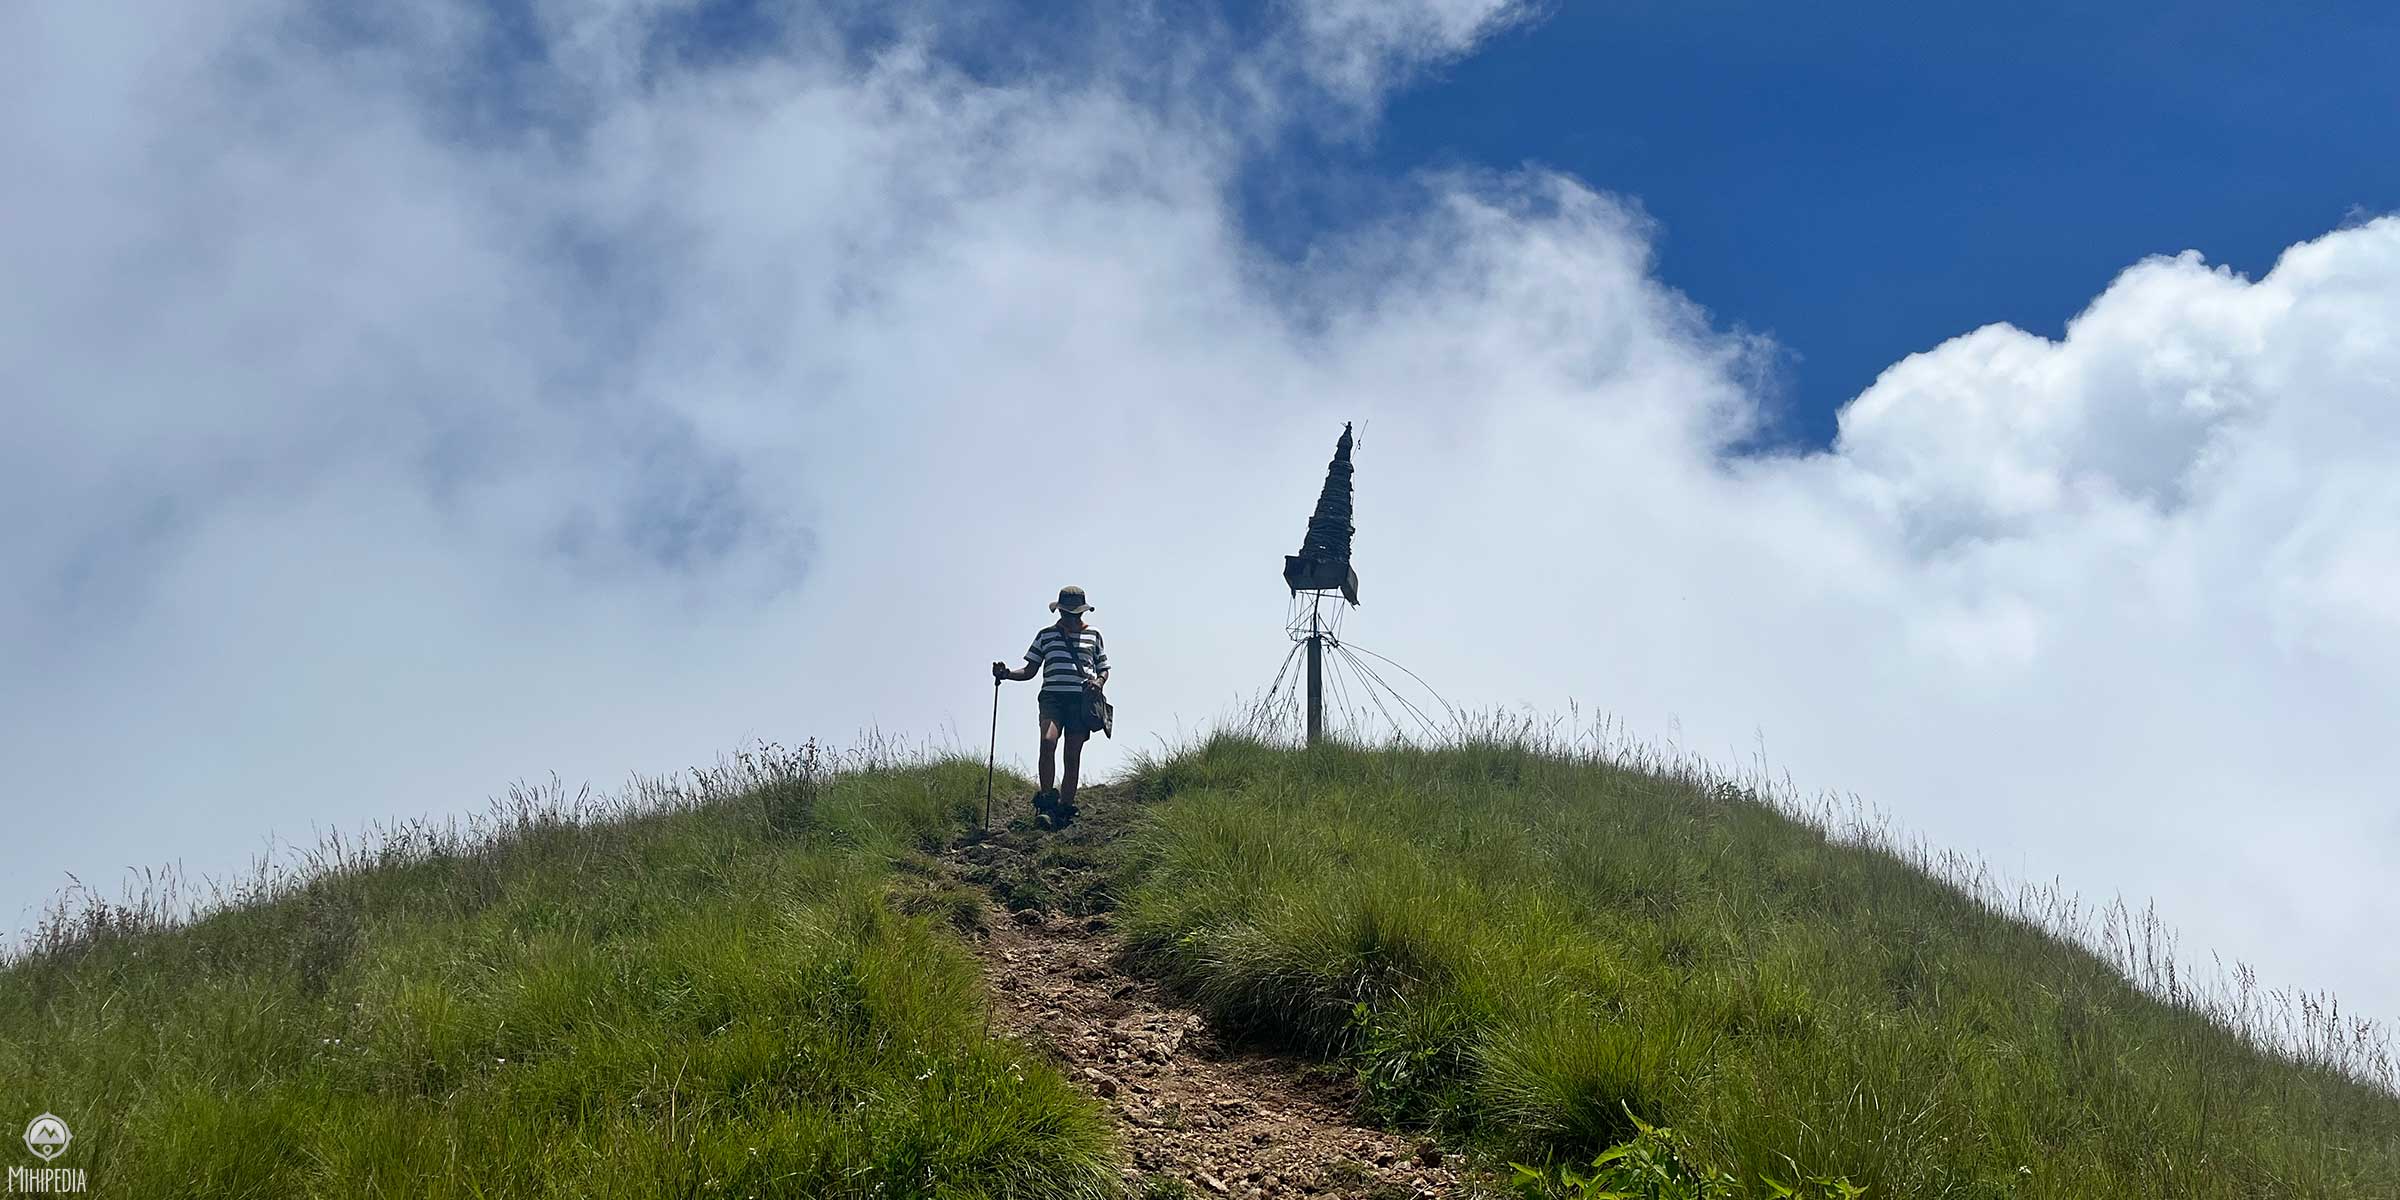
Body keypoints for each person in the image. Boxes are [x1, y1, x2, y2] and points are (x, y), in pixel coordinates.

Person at [991, 586, 1109, 828]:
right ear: (1060, 612)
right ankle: (1046, 803)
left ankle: (1065, 808)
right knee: (1048, 742)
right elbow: (1030, 670)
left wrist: (1099, 681)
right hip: (1052, 698)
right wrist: (1007, 674)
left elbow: (1103, 667)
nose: (1070, 617)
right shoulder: (1045, 635)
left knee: (1072, 753)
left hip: (1081, 699)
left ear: (1082, 613)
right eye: (1066, 613)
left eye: (1074, 613)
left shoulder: (1094, 636)